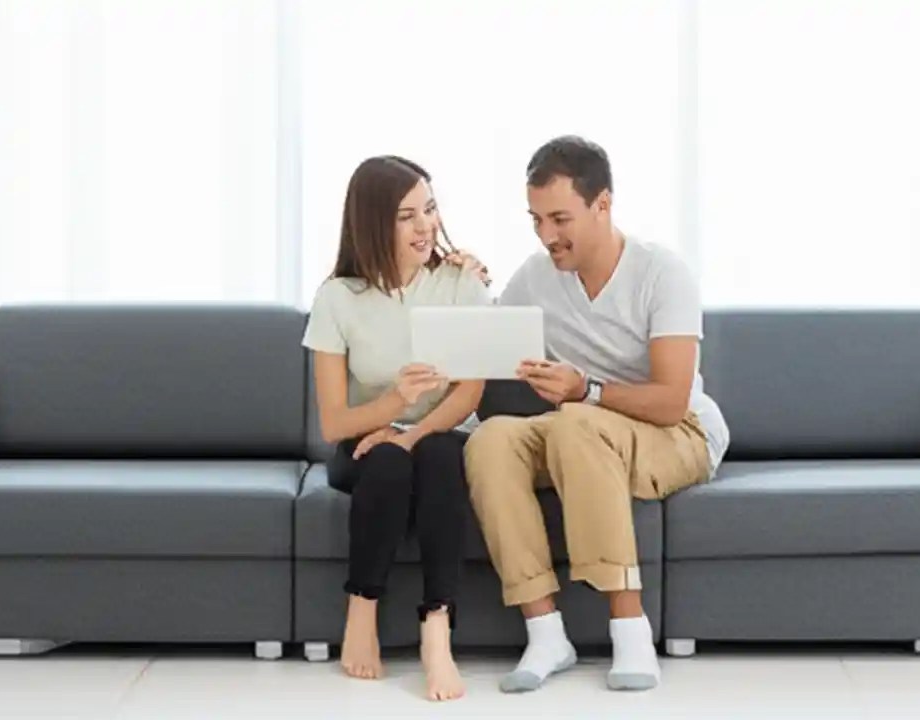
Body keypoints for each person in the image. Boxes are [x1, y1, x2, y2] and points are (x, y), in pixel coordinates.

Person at [464, 136, 731, 693]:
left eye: (560, 218)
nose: (546, 235)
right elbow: (483, 347)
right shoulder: (537, 276)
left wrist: (583, 390)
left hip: (676, 430)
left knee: (575, 422)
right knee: (490, 442)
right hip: (581, 427)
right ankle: (545, 632)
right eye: (536, 219)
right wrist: (464, 283)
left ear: (603, 205)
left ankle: (630, 629)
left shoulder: (662, 273)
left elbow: (671, 400)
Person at [301, 155, 491, 702]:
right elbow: (334, 421)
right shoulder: (337, 297)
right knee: (383, 462)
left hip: (439, 435)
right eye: (407, 216)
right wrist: (393, 403)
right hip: (363, 441)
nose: (426, 226)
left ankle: (437, 629)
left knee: (435, 456)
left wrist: (410, 431)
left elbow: (470, 391)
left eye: (429, 209)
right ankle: (361, 610)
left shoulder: (460, 282)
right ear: (373, 224)